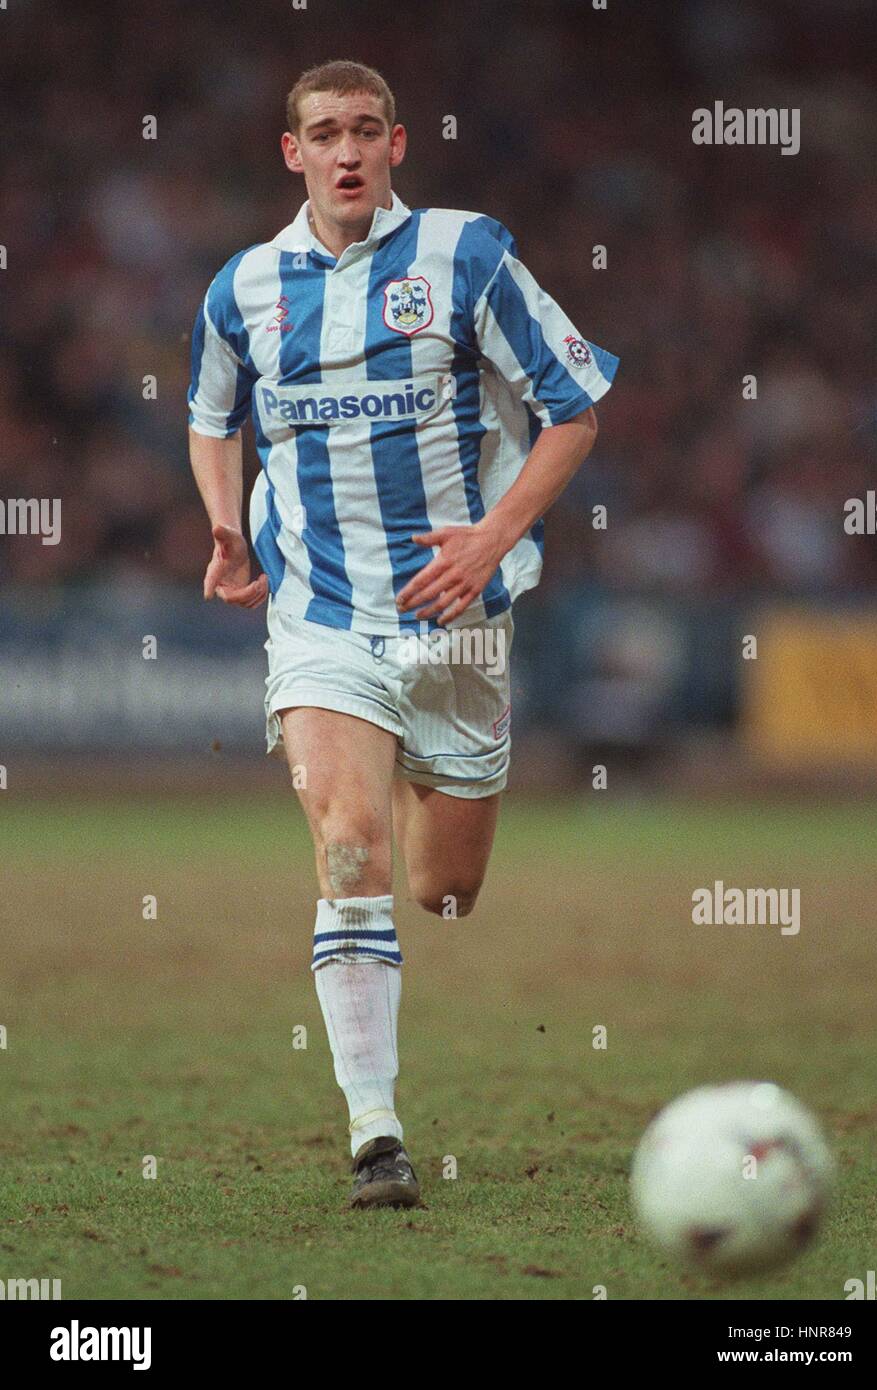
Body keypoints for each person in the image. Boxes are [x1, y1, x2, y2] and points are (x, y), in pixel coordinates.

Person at [187, 60, 618, 1209]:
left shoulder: (465, 256)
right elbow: (210, 419)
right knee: (349, 843)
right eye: (322, 133)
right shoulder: (243, 288)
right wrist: (228, 528)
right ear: (292, 153)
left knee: (442, 890)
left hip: (462, 624)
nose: (344, 151)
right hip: (320, 611)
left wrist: (487, 540)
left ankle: (432, 803)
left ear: (397, 145)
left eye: (364, 131)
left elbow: (575, 409)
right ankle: (375, 1129)